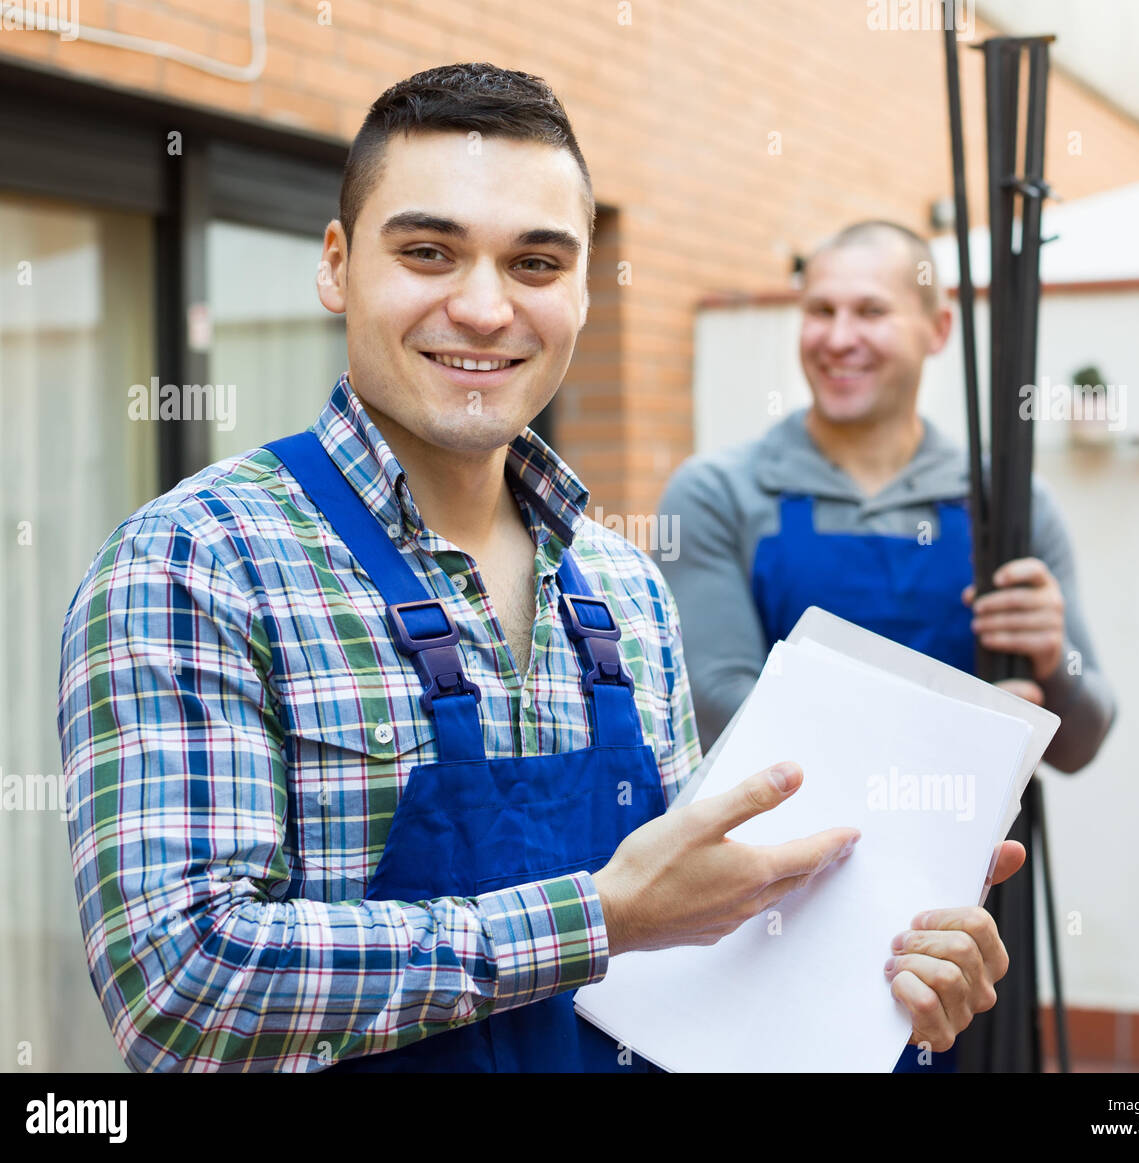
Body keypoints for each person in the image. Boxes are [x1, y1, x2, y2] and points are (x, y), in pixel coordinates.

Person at [58, 70, 1022, 1074]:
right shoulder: (199, 562)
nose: (482, 308)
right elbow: (180, 986)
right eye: (428, 252)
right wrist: (596, 917)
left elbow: (688, 949)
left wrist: (872, 963)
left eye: (534, 262)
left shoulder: (623, 587)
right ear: (337, 266)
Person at [657, 220, 1117, 1071]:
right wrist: (970, 725)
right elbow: (726, 704)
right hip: (784, 906)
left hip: (968, 925)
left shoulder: (1009, 505)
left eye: (869, 310)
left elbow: (1086, 737)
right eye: (819, 309)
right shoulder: (718, 492)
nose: (838, 337)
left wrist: (1058, 661)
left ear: (938, 329)